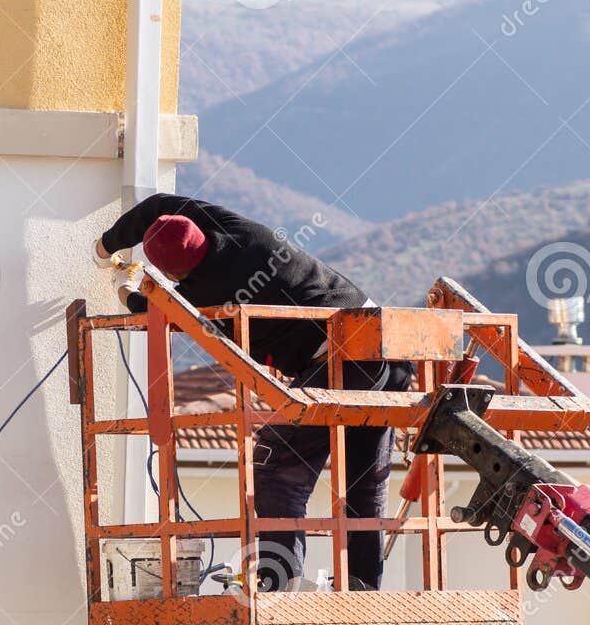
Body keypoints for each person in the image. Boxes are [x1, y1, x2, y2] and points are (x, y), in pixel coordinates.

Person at [96, 193, 410, 592]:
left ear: (174, 276)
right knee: (363, 476)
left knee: (277, 466)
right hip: (387, 346)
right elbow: (155, 204)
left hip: (340, 363)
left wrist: (124, 287)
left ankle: (278, 580)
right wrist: (106, 244)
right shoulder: (232, 228)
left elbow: (156, 315)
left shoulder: (204, 293)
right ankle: (362, 582)